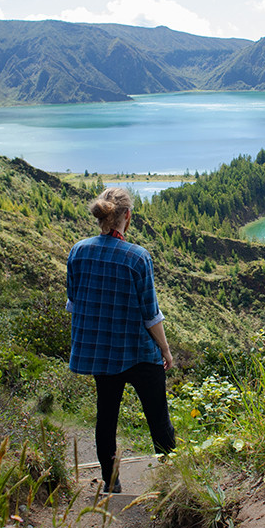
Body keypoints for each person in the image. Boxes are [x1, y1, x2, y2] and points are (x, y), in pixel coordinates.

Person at [66, 187, 175, 493]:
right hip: (139, 352)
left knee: (107, 417)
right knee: (158, 417)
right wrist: (165, 350)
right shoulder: (137, 257)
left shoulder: (79, 251)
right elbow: (150, 314)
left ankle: (111, 484)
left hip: (103, 354)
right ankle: (172, 480)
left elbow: (74, 303)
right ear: (127, 216)